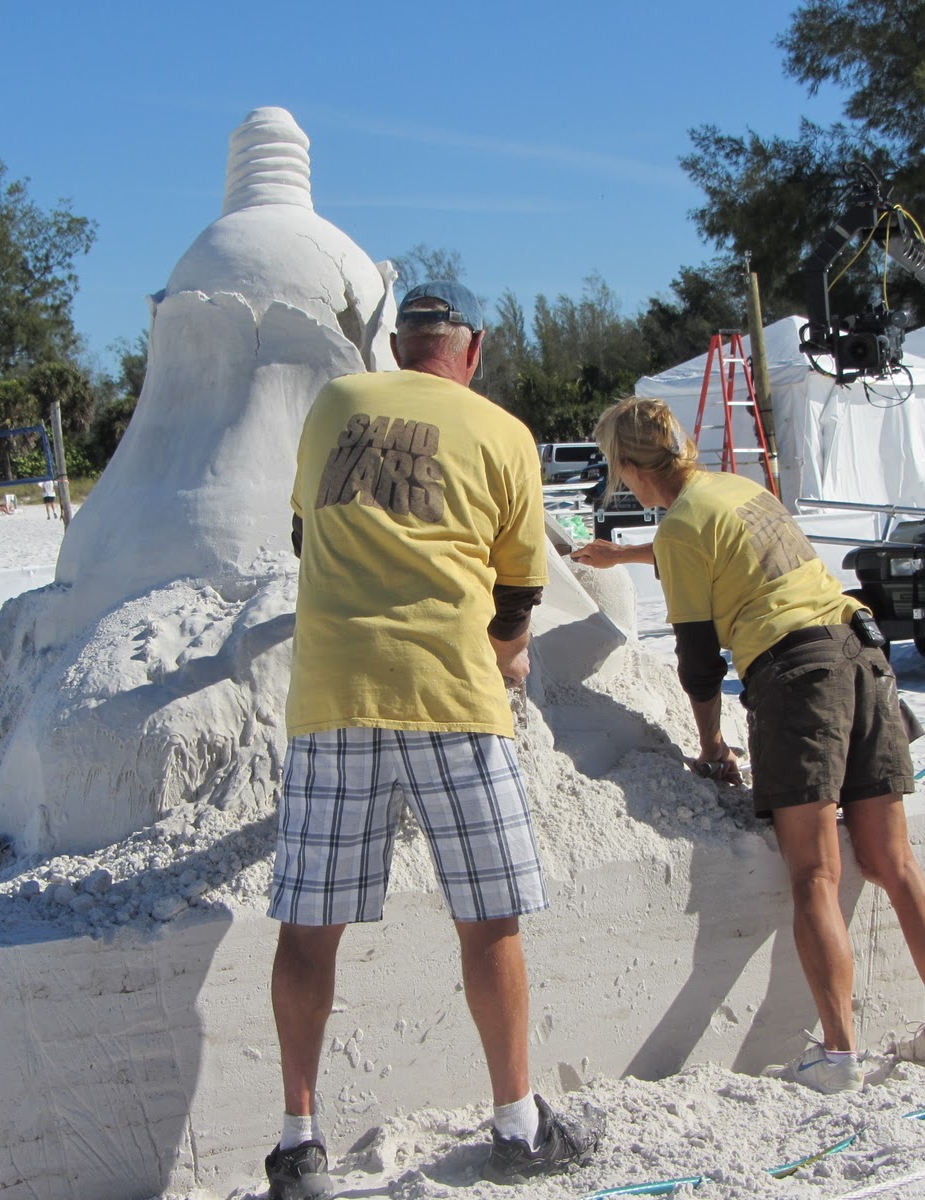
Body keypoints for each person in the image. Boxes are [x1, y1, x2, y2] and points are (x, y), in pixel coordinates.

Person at [265, 280, 601, 1200]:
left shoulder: (336, 402)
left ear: (396, 346)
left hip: (334, 691)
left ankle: (298, 1145)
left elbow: (306, 536)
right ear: (474, 347)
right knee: (488, 920)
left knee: (309, 927)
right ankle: (517, 1127)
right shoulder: (503, 434)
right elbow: (520, 594)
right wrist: (510, 655)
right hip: (453, 698)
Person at [572, 396, 925, 1096]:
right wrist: (630, 552)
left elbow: (699, 663)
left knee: (813, 874)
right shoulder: (739, 488)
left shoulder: (679, 528)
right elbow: (724, 546)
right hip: (866, 659)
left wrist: (712, 746)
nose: (621, 481)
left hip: (799, 682)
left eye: (618, 470)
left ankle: (840, 1054)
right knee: (893, 859)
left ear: (634, 469)